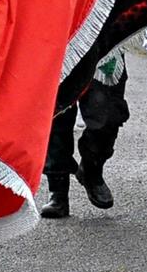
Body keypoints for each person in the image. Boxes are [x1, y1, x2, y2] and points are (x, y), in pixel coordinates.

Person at [40, 50, 131, 218]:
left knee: (108, 114)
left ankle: (91, 169)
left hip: (103, 42)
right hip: (60, 40)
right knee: (56, 114)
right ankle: (58, 191)